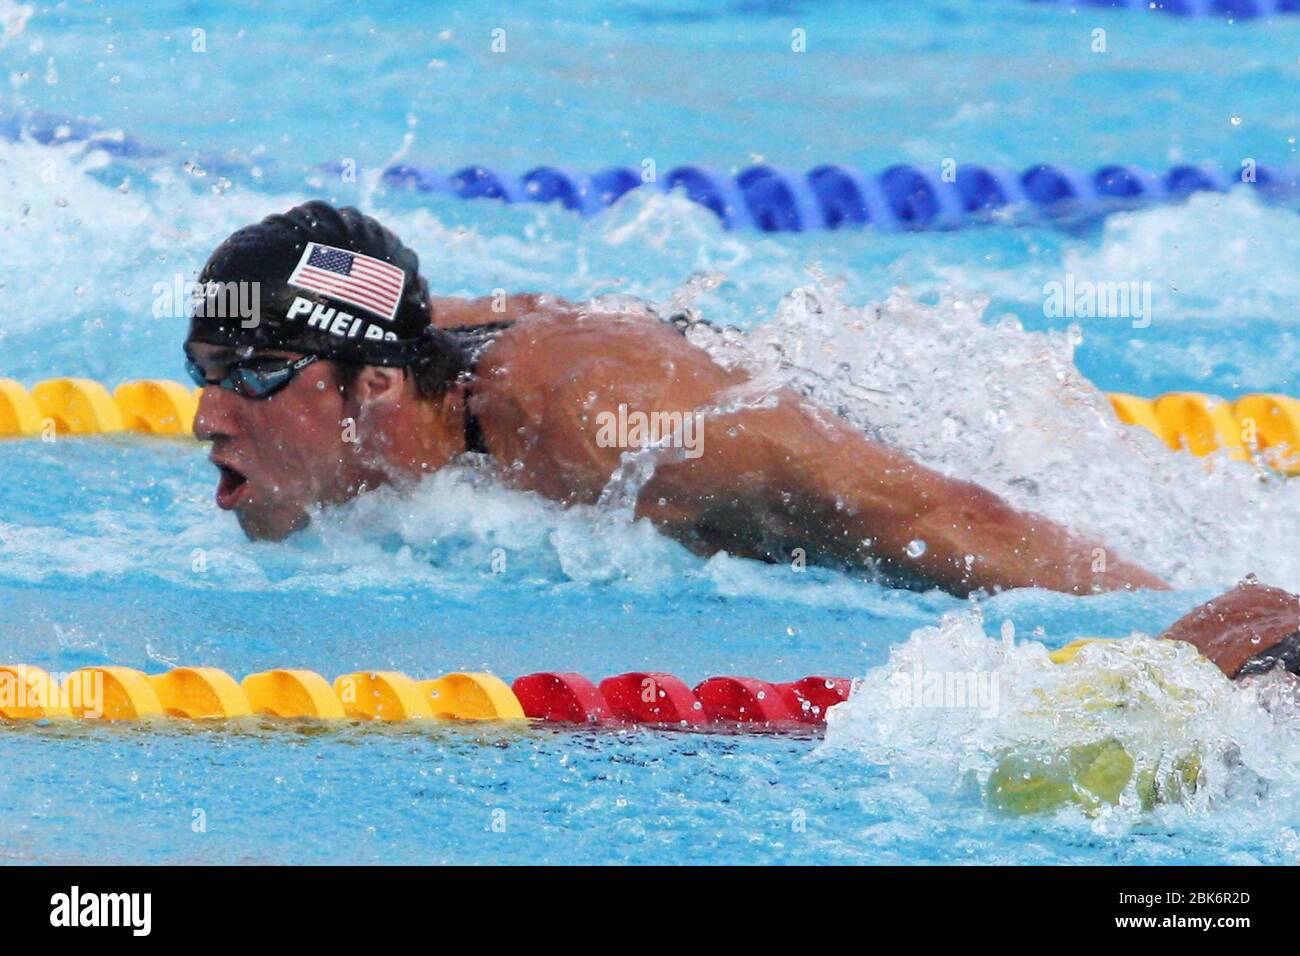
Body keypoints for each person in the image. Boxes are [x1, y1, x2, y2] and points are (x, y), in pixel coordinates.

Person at [184, 200, 1170, 597]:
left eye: (253, 375)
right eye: (204, 372)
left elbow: (932, 511)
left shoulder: (597, 422)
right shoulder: (406, 376)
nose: (207, 416)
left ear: (378, 384)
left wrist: (1177, 622)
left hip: (937, 470)